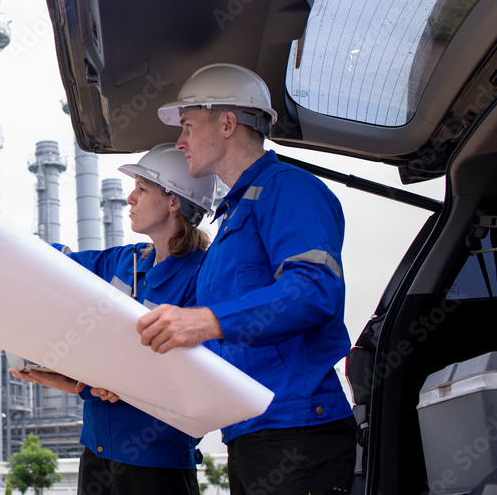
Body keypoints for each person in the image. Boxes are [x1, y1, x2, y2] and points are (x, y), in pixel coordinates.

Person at [0, 143, 222, 495]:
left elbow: (196, 374)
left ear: (174, 201)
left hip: (157, 462)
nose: (130, 199)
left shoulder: (205, 277)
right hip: (97, 451)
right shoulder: (125, 261)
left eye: (142, 189)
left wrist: (89, 382)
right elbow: (56, 266)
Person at [136, 63, 356, 495]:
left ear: (228, 124)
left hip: (297, 434)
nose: (179, 142)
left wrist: (202, 322)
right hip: (250, 433)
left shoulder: (287, 189)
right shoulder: (234, 217)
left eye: (187, 125)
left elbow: (315, 289)